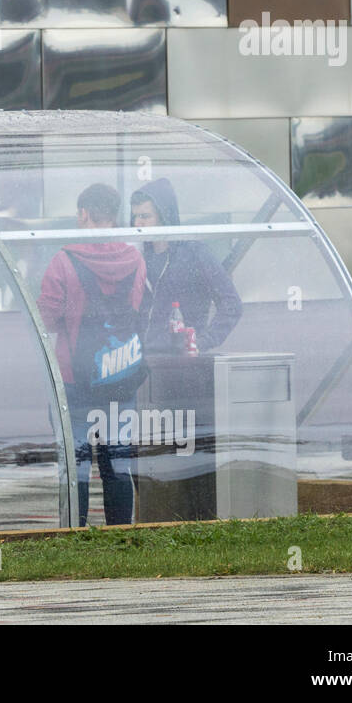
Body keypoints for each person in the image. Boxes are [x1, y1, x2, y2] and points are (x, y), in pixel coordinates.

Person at [37, 183, 146, 526]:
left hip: (75, 379)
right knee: (117, 465)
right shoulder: (135, 259)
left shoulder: (63, 260)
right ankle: (120, 540)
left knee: (76, 467)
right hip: (120, 376)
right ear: (114, 216)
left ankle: (75, 538)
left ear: (83, 214)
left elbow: (47, 318)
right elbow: (137, 308)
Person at [130, 178, 242, 353]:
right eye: (135, 216)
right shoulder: (138, 255)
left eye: (145, 216)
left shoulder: (193, 252)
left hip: (182, 362)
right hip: (142, 361)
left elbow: (232, 304)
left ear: (164, 216)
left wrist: (202, 342)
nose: (138, 223)